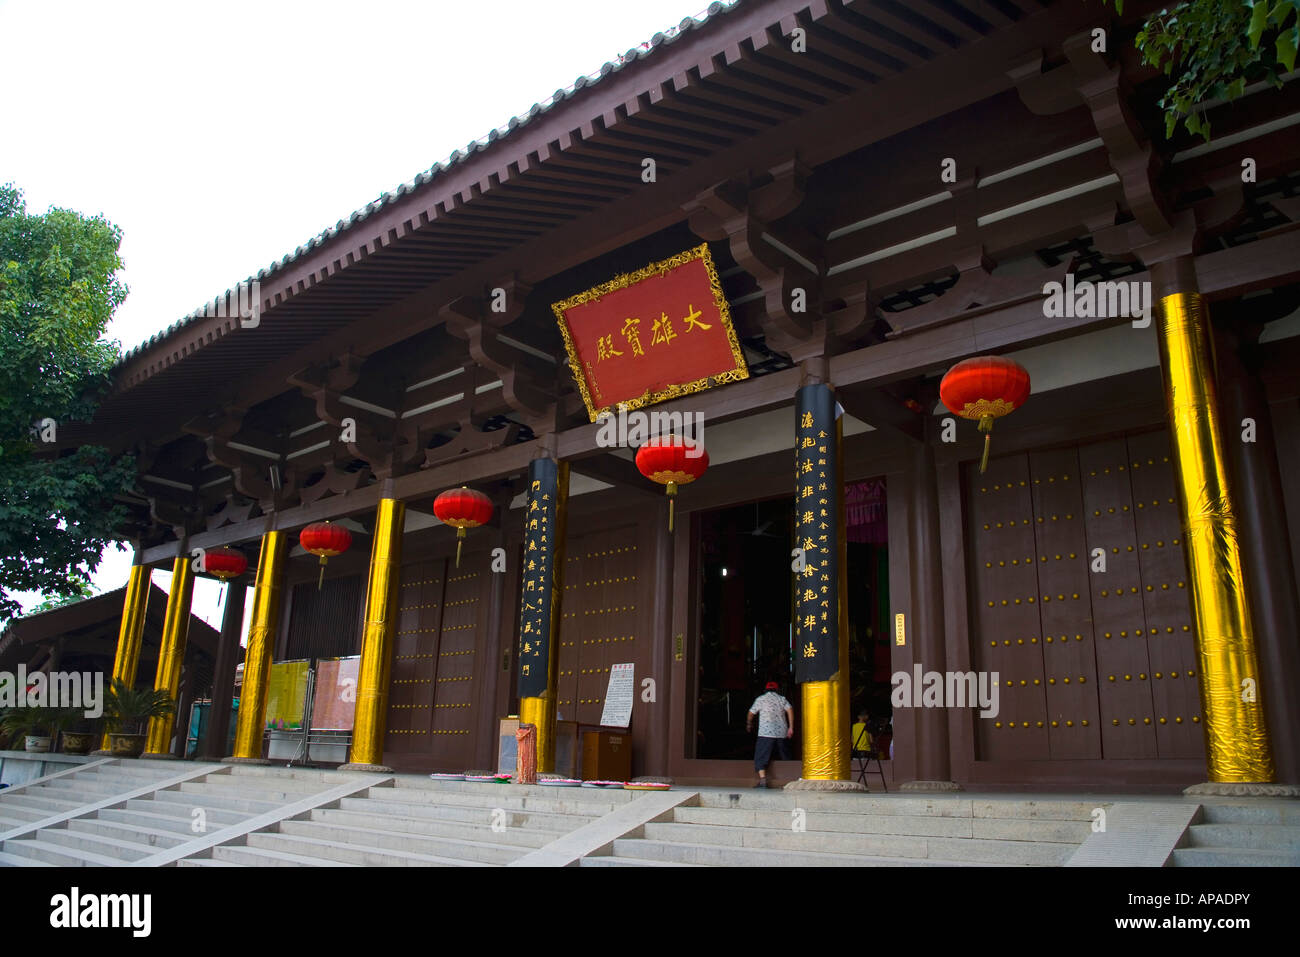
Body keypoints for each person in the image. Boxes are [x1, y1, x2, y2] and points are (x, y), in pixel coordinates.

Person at [746, 681, 793, 788]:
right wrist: (791, 727)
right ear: (777, 690)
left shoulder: (760, 699)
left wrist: (749, 724)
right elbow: (790, 710)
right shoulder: (782, 699)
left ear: (765, 690)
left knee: (760, 757)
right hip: (781, 733)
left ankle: (763, 780)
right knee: (785, 756)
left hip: (765, 733)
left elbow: (750, 713)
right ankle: (789, 780)